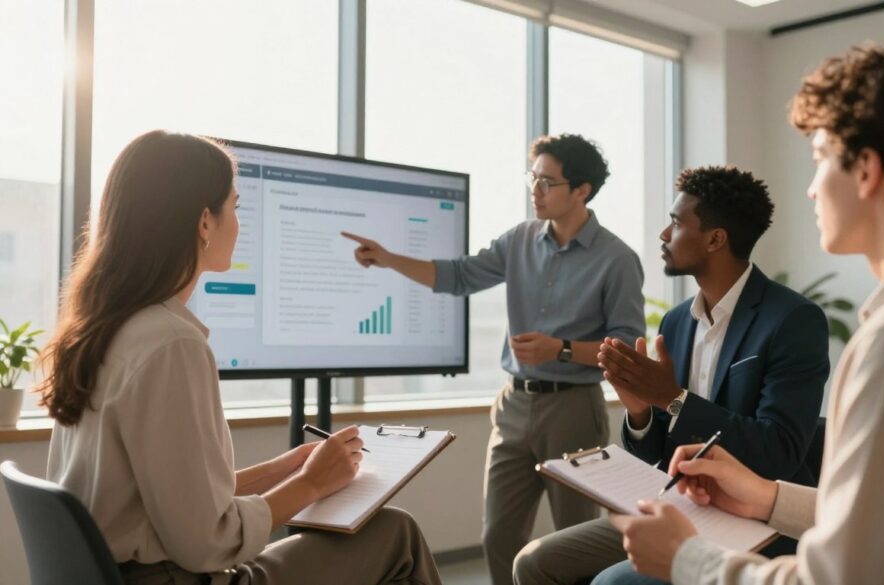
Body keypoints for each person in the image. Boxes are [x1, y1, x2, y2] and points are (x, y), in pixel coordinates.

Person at [606, 40, 884, 585]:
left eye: (821, 157)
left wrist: (687, 560)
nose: (810, 187)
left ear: (867, 170)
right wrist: (769, 497)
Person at [40, 130, 442, 585]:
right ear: (204, 223)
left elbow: (168, 499)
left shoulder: (104, 330)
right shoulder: (173, 344)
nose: (239, 223)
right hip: (176, 579)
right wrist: (311, 485)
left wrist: (282, 472)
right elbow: (207, 541)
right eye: (235, 207)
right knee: (396, 534)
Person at [342, 133, 646, 585]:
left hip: (573, 408)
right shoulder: (519, 240)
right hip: (513, 407)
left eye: (548, 182)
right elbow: (458, 276)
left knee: (575, 537)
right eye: (533, 178)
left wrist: (558, 348)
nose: (535, 190)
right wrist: (388, 259)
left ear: (581, 190)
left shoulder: (617, 258)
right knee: (499, 534)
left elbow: (626, 347)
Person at [513, 166, 829, 584]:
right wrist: (641, 414)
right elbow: (658, 453)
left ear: (716, 239)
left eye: (677, 223)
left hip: (756, 520)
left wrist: (673, 399)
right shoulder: (677, 322)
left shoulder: (791, 320)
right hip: (682, 505)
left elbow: (779, 451)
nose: (664, 234)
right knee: (534, 561)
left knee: (611, 582)